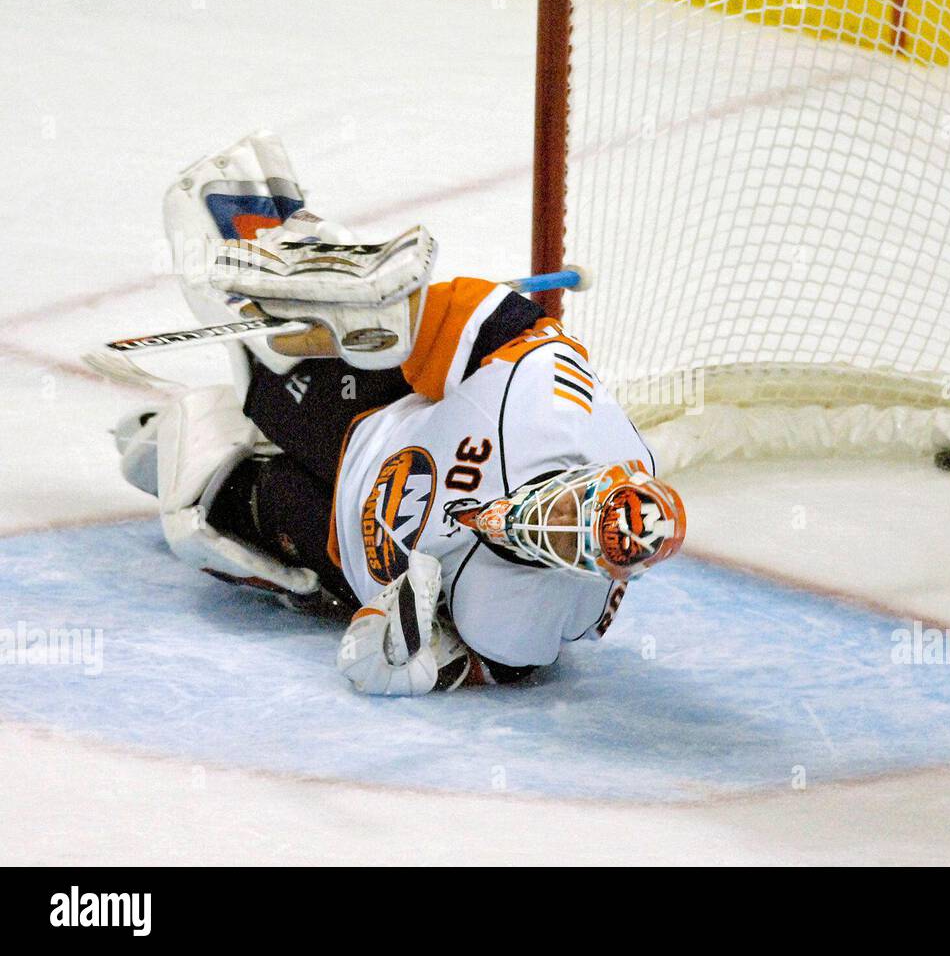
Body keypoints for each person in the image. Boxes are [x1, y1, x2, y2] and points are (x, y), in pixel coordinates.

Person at [116, 133, 686, 697]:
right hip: (366, 419)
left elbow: (505, 665)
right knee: (255, 310)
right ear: (590, 477)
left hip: (340, 549)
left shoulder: (543, 615)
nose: (550, 525)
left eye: (566, 543)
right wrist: (351, 321)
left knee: (202, 518)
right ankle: (278, 237)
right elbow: (499, 320)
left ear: (588, 570)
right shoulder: (551, 408)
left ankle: (168, 441)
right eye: (568, 508)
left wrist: (425, 656)